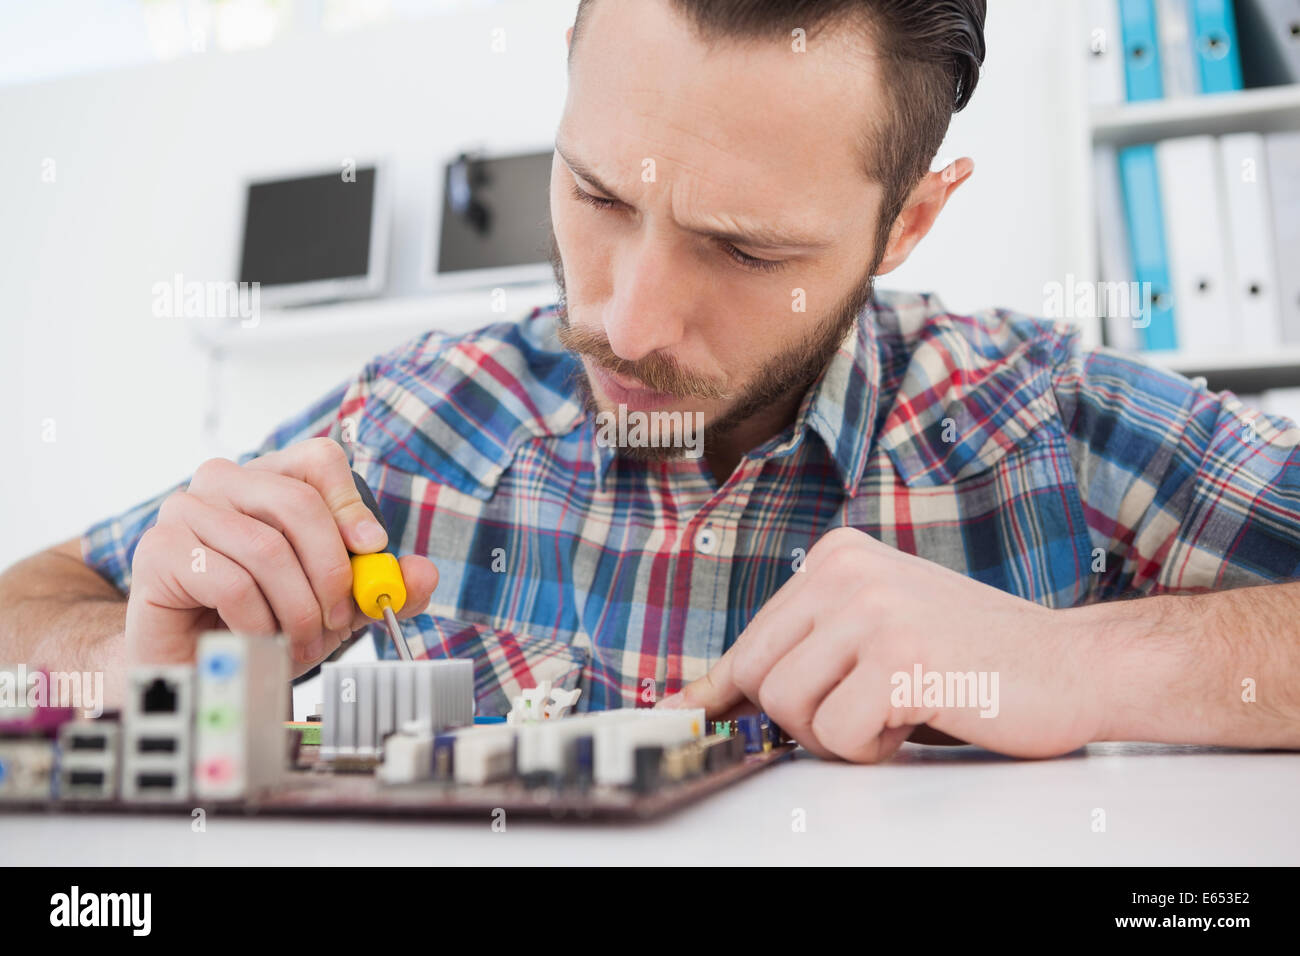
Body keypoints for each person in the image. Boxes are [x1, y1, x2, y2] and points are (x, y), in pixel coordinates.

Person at [3, 0, 1298, 762]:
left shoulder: (1050, 430)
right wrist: (142, 671)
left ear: (907, 223)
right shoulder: (418, 421)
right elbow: (21, 622)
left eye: (746, 248)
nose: (624, 319)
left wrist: (1086, 665)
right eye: (594, 193)